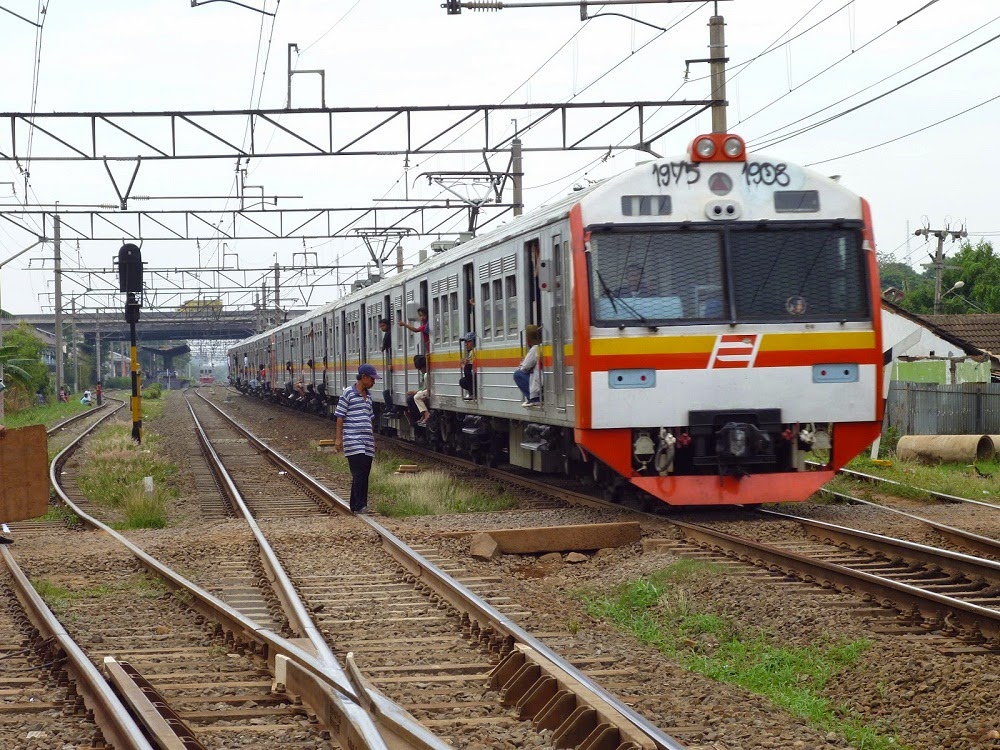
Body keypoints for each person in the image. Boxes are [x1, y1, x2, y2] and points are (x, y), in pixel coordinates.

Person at [334, 363, 379, 514]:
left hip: (367, 441)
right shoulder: (348, 393)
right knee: (358, 472)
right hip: (352, 439)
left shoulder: (369, 397)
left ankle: (356, 505)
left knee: (364, 472)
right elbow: (340, 417)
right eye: (372, 379)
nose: (374, 382)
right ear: (364, 377)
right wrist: (338, 439)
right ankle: (360, 505)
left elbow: (369, 418)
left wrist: (373, 439)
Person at [513, 324, 542, 407]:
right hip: (542, 379)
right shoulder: (542, 346)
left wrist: (521, 367)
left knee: (518, 374)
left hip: (538, 380)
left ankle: (533, 399)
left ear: (528, 337)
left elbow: (525, 367)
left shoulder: (535, 349)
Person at [405, 354, 431, 427]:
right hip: (427, 391)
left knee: (415, 397)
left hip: (429, 392)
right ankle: (423, 415)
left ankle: (425, 414)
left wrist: (415, 392)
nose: (420, 371)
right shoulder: (426, 374)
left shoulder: (426, 375)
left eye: (420, 369)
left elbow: (426, 388)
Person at [458, 332, 476, 399]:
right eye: (465, 342)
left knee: (467, 369)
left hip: (475, 377)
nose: (466, 344)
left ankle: (472, 393)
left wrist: (463, 365)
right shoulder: (472, 351)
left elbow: (470, 368)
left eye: (468, 342)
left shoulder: (473, 351)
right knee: (463, 381)